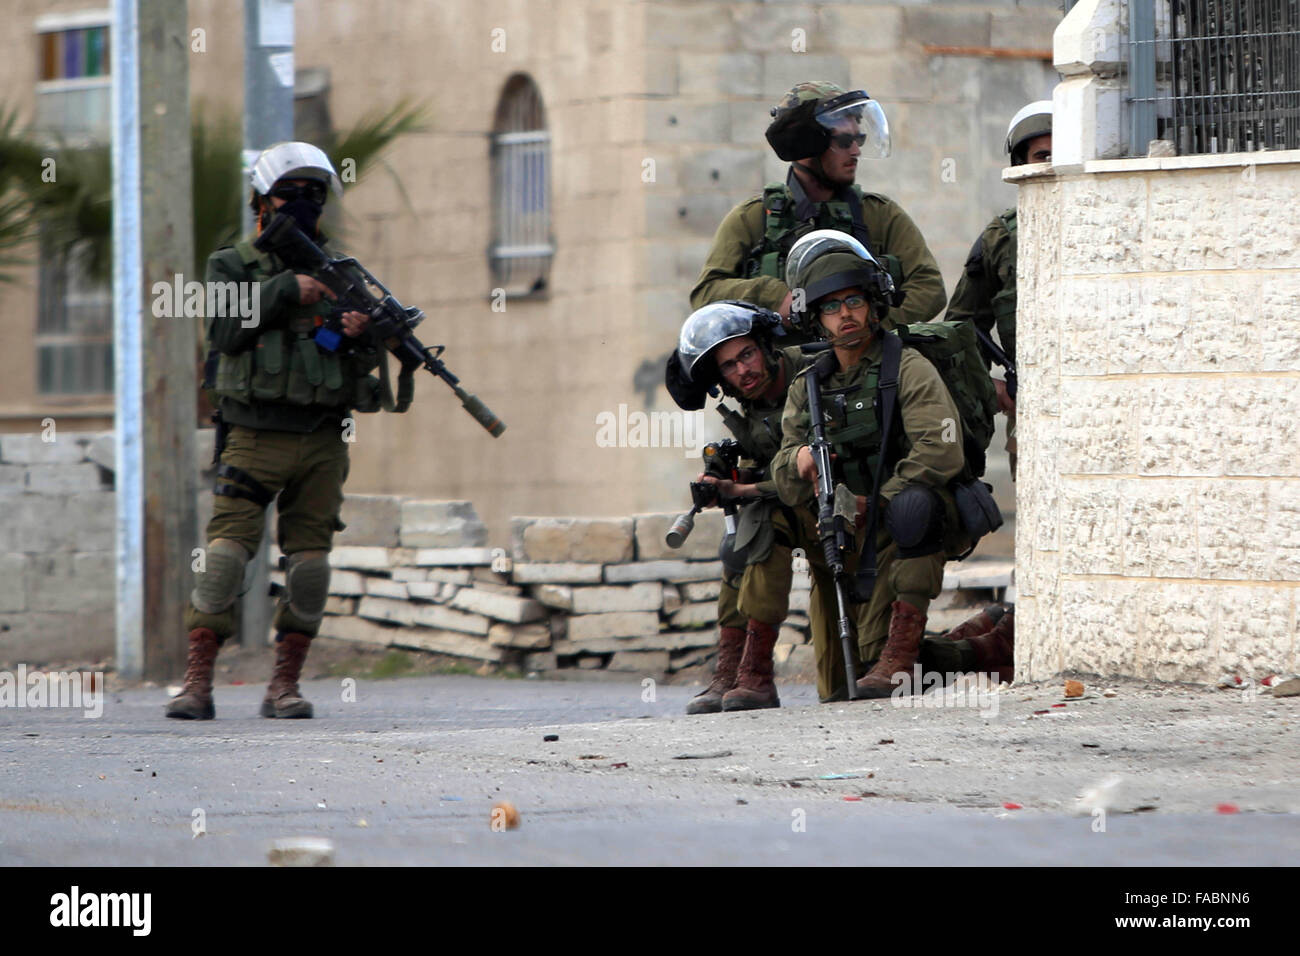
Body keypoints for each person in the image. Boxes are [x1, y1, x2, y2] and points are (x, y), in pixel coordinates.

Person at [167, 141, 393, 720]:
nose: (303, 205)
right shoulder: (232, 264)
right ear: (261, 202)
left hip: (321, 439)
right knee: (224, 558)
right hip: (252, 434)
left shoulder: (340, 271)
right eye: (290, 194)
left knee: (311, 565)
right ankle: (197, 683)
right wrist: (286, 291)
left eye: (315, 195)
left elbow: (359, 363)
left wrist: (360, 331)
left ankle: (284, 686)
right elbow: (221, 330)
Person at [771, 243, 973, 700]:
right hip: (844, 530)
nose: (845, 315)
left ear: (873, 305)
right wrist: (800, 458)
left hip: (904, 521)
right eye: (831, 307)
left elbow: (940, 450)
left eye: (854, 301)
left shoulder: (907, 367)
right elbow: (782, 470)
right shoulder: (810, 385)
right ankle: (980, 645)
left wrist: (880, 501)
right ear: (816, 319)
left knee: (914, 507)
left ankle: (900, 657)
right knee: (851, 675)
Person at [934, 100, 1052, 678]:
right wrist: (997, 387)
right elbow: (962, 326)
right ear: (1020, 164)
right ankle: (1021, 637)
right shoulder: (1001, 237)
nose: (1050, 165)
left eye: (1060, 155)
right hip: (1031, 408)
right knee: (1039, 519)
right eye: (1040, 156)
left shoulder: (1103, 215)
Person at [690, 81, 946, 335]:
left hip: (868, 369)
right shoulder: (754, 218)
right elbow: (706, 293)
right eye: (845, 141)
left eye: (860, 139)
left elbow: (929, 288)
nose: (856, 151)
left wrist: (871, 331)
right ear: (807, 145)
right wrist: (773, 296)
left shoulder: (879, 215)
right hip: (785, 370)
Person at [669, 302, 814, 712]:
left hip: (840, 511)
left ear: (766, 348)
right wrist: (727, 484)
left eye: (746, 355)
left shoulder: (811, 376)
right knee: (738, 544)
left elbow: (805, 472)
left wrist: (743, 493)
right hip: (789, 510)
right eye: (729, 366)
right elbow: (767, 465)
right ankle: (736, 671)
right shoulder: (751, 399)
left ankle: (755, 674)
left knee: (851, 682)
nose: (742, 371)